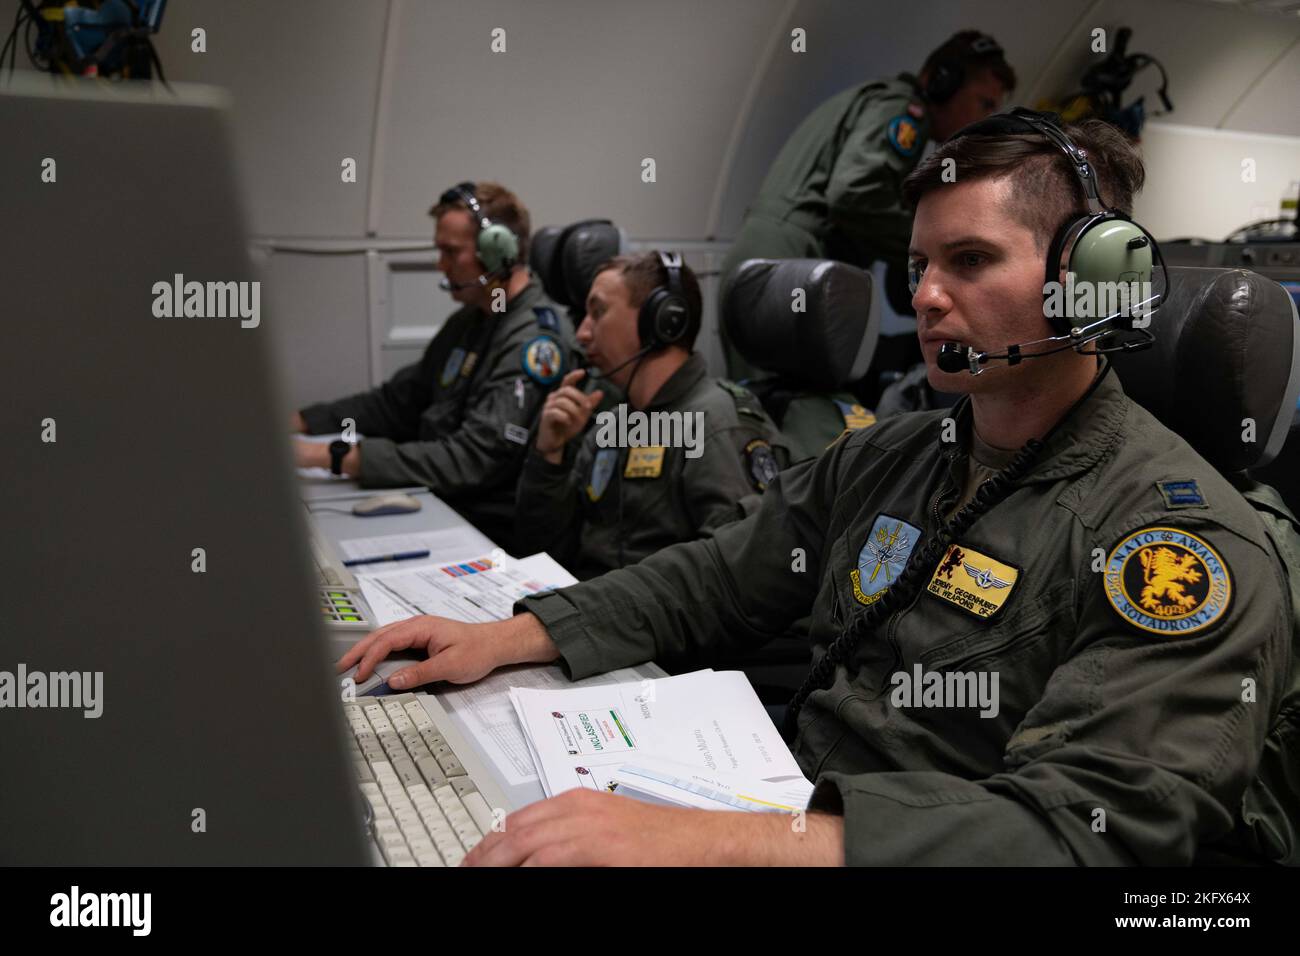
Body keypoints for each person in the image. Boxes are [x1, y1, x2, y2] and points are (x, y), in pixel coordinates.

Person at [339, 116, 1289, 866]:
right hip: (795, 817)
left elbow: (1078, 829)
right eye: (919, 265)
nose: (921, 297)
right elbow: (714, 575)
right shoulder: (892, 455)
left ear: (1092, 282)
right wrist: (513, 633)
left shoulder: (1178, 547)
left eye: (969, 261)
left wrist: (713, 845)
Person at [718, 30, 1016, 390]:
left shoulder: (875, 100)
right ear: (943, 84)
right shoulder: (902, 111)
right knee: (780, 406)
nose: (984, 119)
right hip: (792, 264)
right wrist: (929, 250)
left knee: (764, 399)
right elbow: (854, 194)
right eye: (984, 104)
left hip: (770, 258)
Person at [291, 182, 574, 549]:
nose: (440, 265)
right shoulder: (472, 321)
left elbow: (472, 460)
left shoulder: (535, 341)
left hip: (489, 534)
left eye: (451, 252)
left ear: (498, 253)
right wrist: (298, 423)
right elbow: (398, 402)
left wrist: (332, 455)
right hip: (443, 508)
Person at [516, 251, 790, 580]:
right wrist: (550, 456)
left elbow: (741, 576)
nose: (582, 334)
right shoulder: (615, 421)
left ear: (660, 320)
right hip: (591, 605)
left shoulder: (716, 425)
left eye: (598, 312)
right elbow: (544, 550)